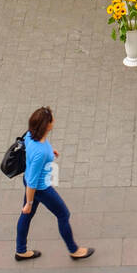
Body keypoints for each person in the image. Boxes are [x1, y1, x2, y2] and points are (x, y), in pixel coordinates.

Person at [15, 106, 93, 262]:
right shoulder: (41, 152)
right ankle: (74, 250)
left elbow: (38, 150)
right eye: (52, 119)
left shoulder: (30, 136)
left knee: (26, 215)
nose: (54, 121)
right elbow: (32, 182)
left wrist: (51, 152)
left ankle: (21, 250)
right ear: (47, 125)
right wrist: (29, 202)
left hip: (31, 181)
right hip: (40, 188)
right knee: (63, 214)